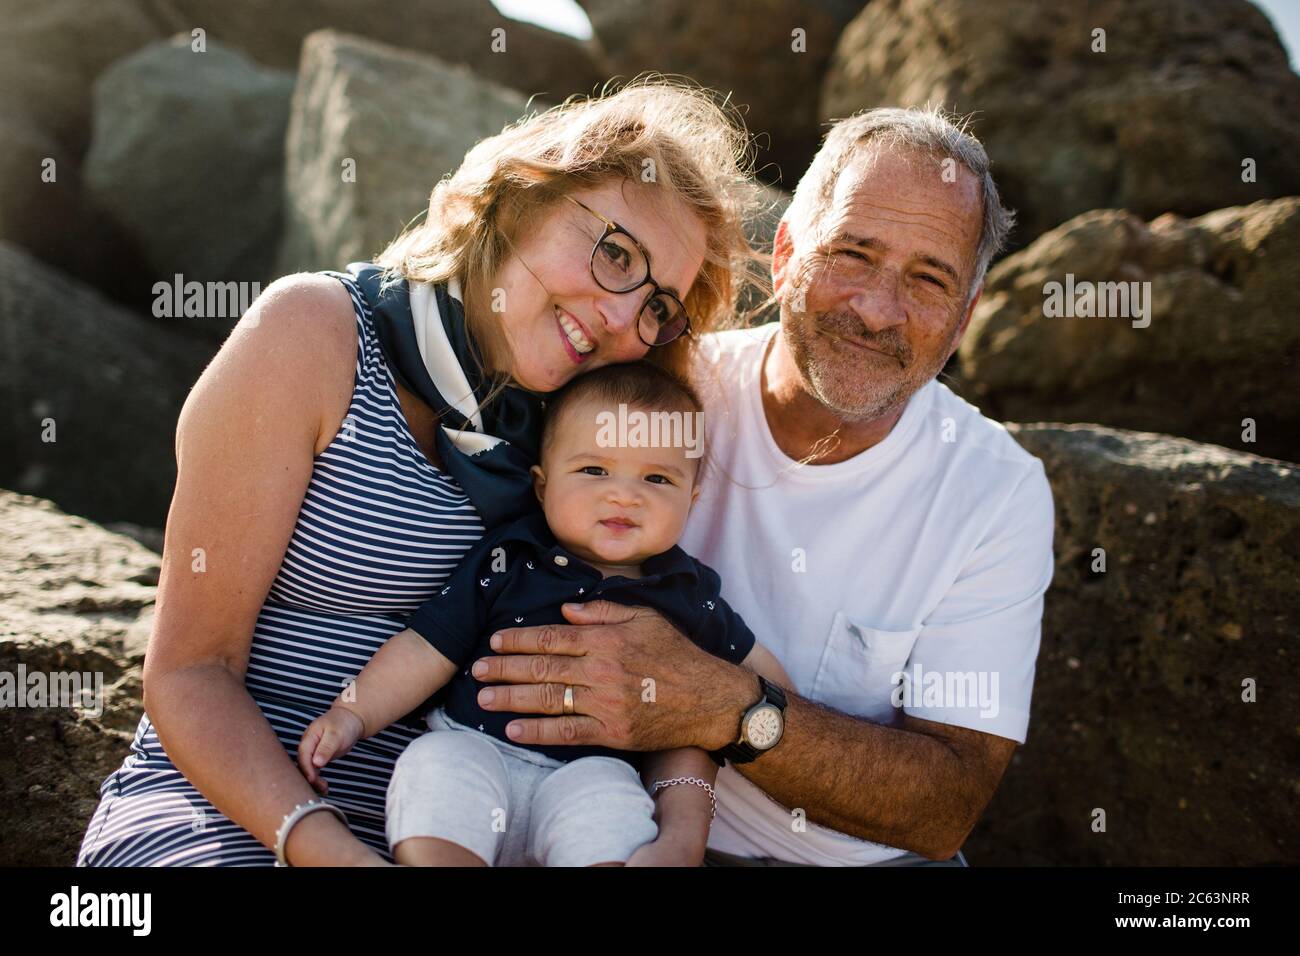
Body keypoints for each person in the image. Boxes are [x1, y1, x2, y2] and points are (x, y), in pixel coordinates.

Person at [76, 79, 764, 866]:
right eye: (616, 253)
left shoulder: (590, 447)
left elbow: (656, 655)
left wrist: (679, 840)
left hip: (469, 832)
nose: (619, 318)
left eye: (657, 308)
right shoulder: (313, 334)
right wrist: (325, 847)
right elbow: (191, 672)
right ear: (521, 196)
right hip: (235, 815)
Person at [467, 106, 1057, 866]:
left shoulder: (996, 491)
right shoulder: (654, 394)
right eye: (853, 254)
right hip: (613, 828)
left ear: (965, 316)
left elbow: (946, 806)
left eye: (928, 279)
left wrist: (725, 709)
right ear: (785, 254)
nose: (878, 310)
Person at [298, 362, 791, 866]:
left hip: (592, 770)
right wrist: (353, 714)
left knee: (613, 809)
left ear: (691, 499)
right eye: (594, 470)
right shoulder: (510, 556)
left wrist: (790, 713)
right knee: (436, 766)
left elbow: (759, 671)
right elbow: (428, 646)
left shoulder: (687, 593)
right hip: (476, 746)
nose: (624, 494)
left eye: (657, 477)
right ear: (542, 485)